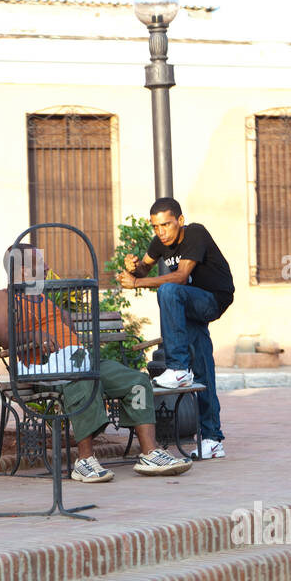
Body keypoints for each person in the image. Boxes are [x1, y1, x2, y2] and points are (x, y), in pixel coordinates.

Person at [0, 243, 192, 482]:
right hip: (44, 368)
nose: (47, 267)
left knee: (136, 380)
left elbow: (68, 329)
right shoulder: (2, 298)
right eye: (40, 263)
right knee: (83, 380)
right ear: (22, 270)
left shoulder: (43, 297)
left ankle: (149, 453)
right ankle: (84, 460)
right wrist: (34, 336)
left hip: (78, 359)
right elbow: (4, 339)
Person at [117, 197, 232, 460]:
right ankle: (213, 439)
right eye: (156, 227)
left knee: (169, 290)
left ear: (179, 220)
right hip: (188, 304)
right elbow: (145, 267)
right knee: (203, 368)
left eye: (167, 225)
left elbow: (180, 276)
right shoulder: (159, 241)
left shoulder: (195, 233)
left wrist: (136, 283)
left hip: (213, 298)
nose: (161, 232)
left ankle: (178, 368)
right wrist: (134, 268)